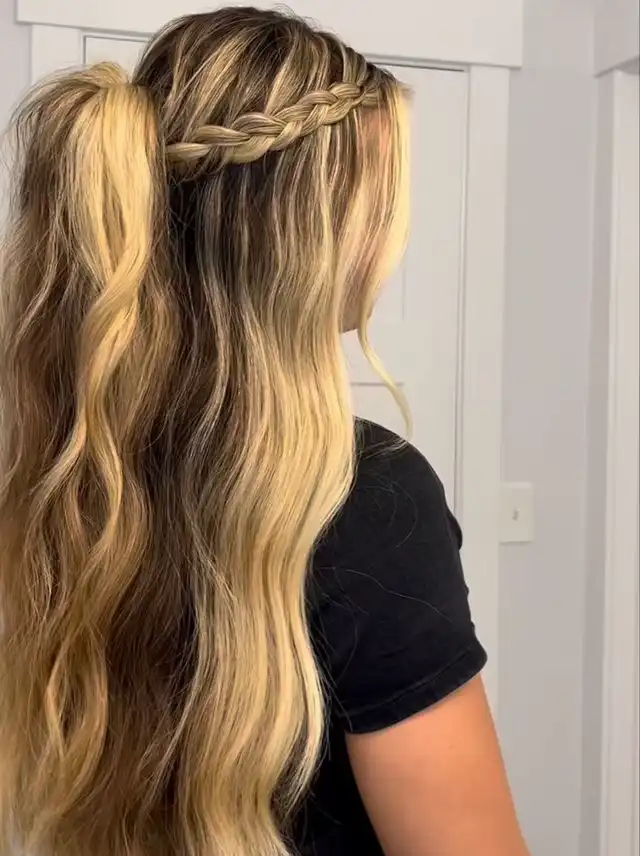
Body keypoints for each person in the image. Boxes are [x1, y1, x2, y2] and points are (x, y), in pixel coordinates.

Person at [0, 8, 530, 856]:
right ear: (312, 230)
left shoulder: (72, 461)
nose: (391, 236)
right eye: (381, 198)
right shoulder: (369, 498)